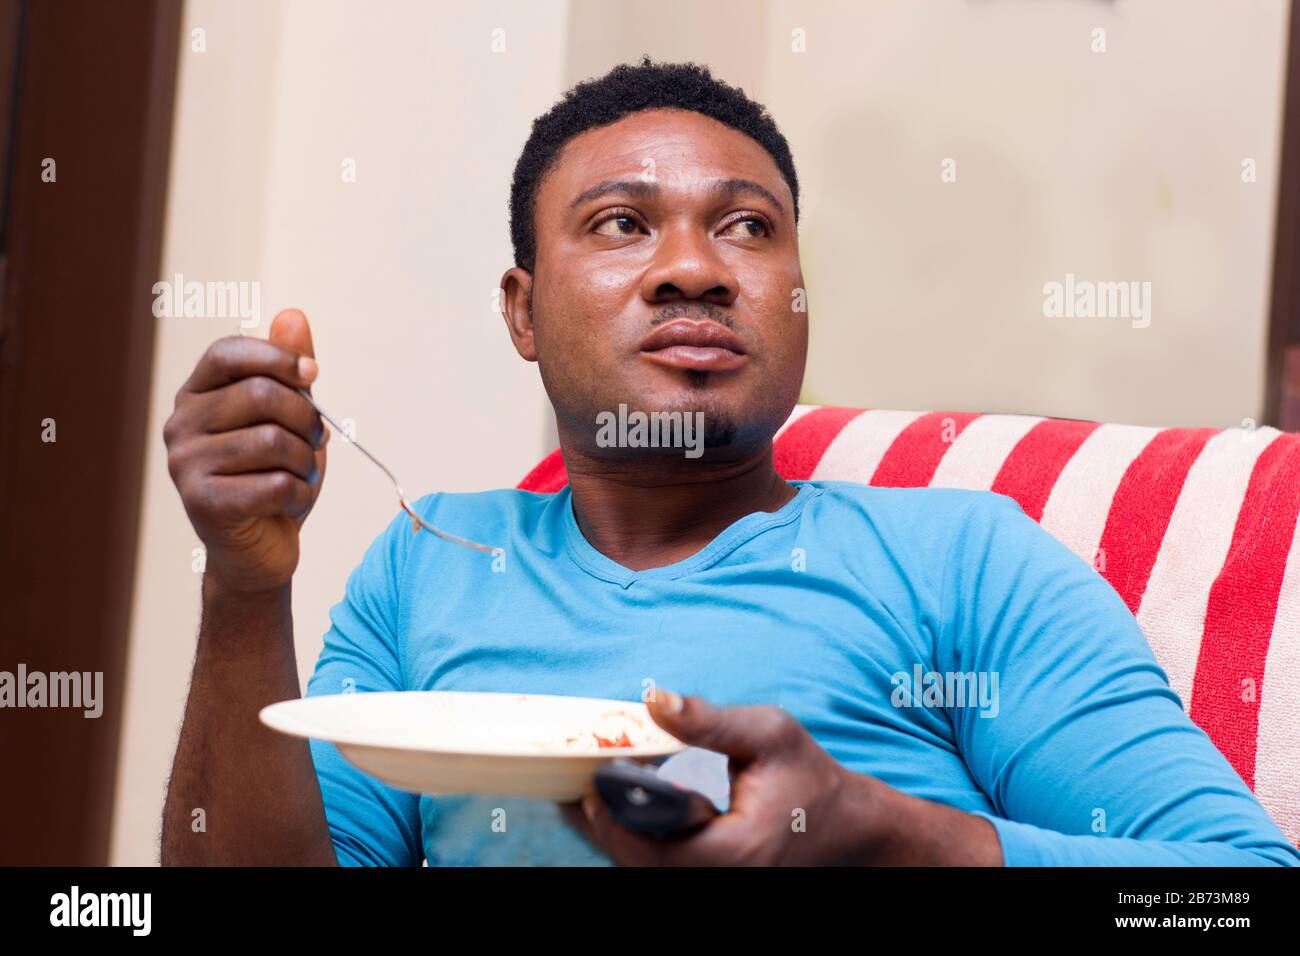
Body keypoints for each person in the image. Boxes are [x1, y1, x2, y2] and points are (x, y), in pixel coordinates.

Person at [160, 58, 1300, 866]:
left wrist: (892, 840)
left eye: (749, 227)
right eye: (620, 224)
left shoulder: (963, 560)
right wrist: (244, 583)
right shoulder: (427, 566)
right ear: (522, 309)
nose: (694, 269)